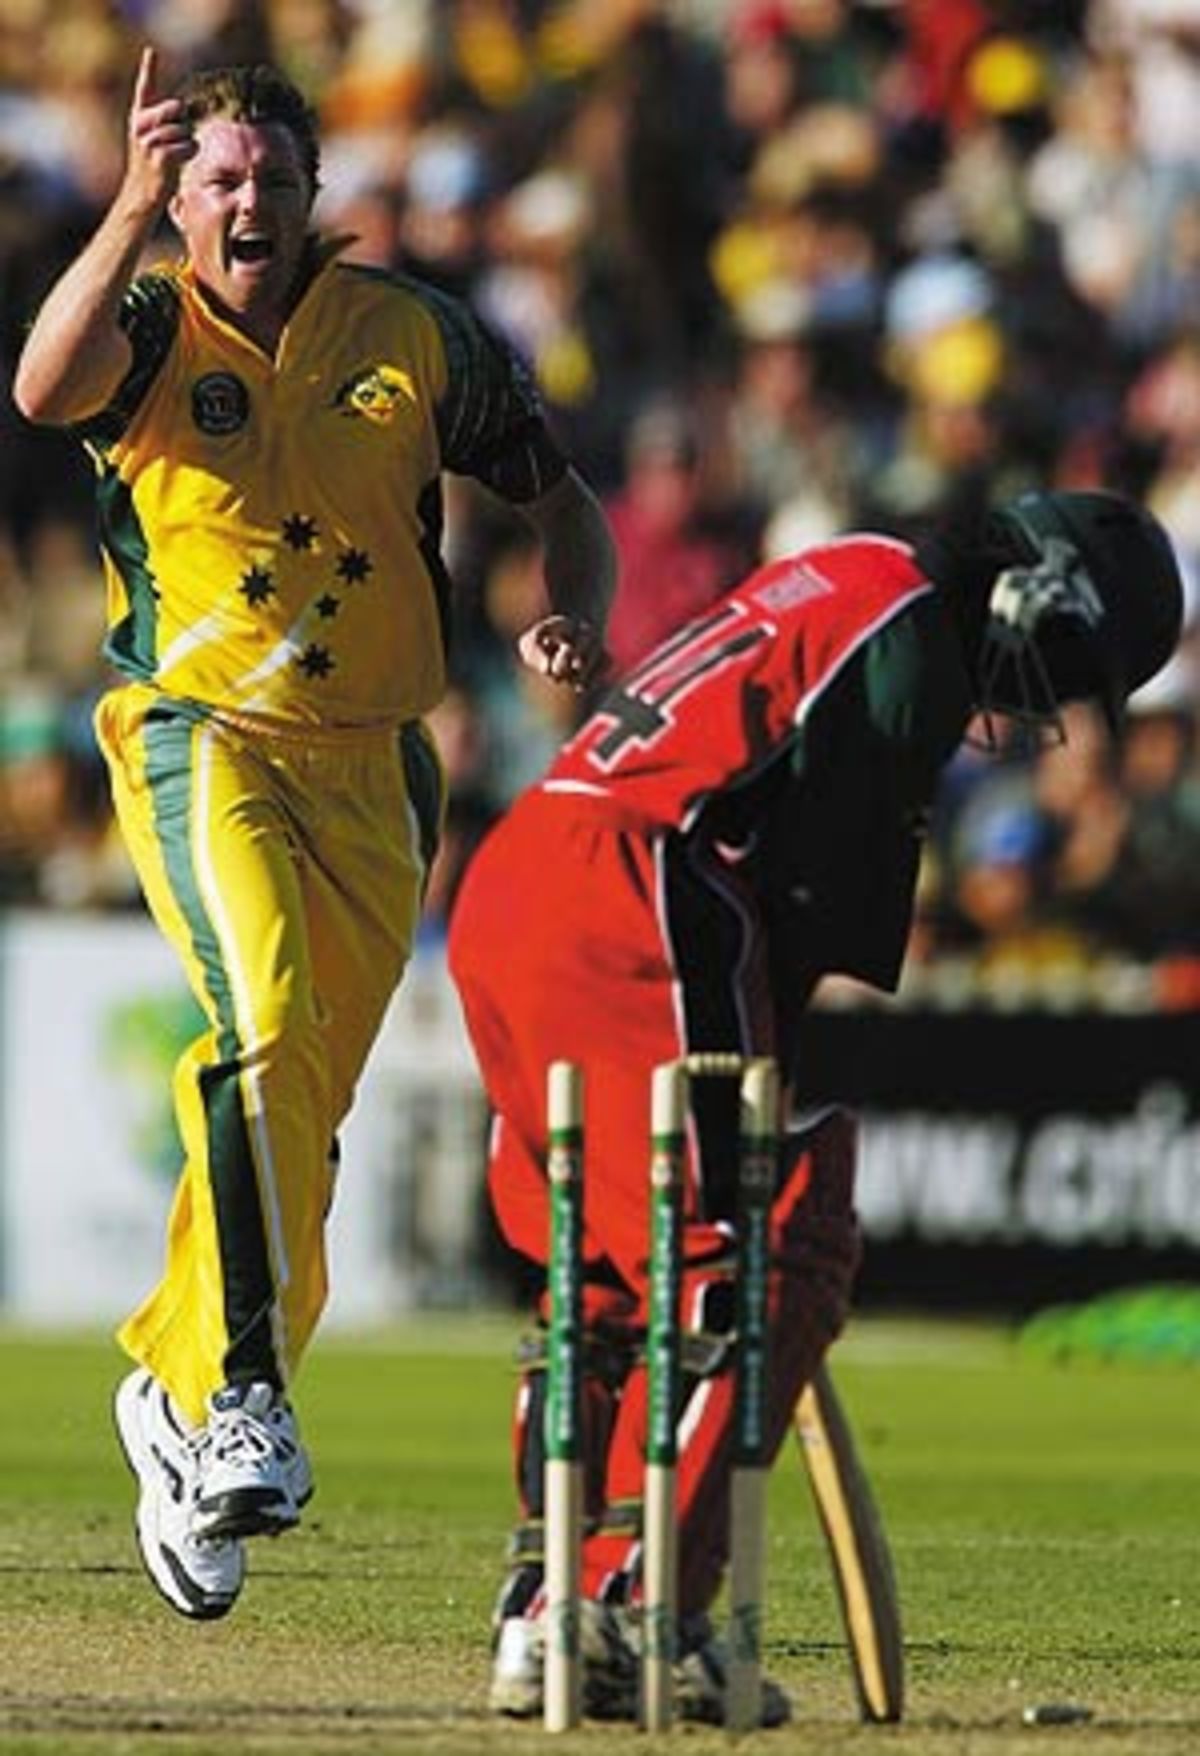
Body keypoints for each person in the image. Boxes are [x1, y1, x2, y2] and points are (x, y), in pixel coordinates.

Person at [12, 49, 616, 1623]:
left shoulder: (410, 335)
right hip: (201, 738)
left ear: (312, 191)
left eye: (271, 177)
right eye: (217, 178)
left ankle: (176, 1383)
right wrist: (126, 207)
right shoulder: (148, 326)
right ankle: (246, 1408)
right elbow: (34, 385)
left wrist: (569, 618)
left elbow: (566, 503)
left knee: (298, 1128)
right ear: (185, 196)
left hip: (379, 772)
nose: (246, 201)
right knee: (263, 1027)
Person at [446, 487, 1183, 1724]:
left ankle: (551, 1612)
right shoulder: (913, 649)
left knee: (605, 1276)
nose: (1046, 704)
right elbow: (797, 919)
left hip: (526, 875)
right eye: (1065, 669)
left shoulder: (853, 566)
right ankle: (639, 1609)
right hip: (647, 884)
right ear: (1036, 598)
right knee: (755, 1247)